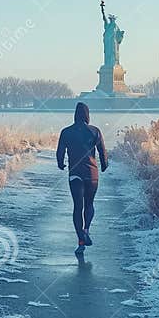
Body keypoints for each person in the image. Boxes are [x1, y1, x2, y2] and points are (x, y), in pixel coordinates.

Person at [56, 102, 108, 257]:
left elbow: (60, 153)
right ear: (87, 115)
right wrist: (104, 165)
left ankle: (80, 239)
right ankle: (86, 230)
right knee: (89, 204)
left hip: (75, 174)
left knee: (77, 207)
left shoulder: (66, 132)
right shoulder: (95, 131)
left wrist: (61, 164)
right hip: (91, 174)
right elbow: (102, 152)